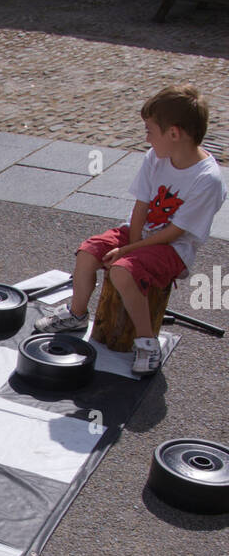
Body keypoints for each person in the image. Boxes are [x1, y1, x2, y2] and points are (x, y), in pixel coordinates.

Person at [36, 84, 226, 374]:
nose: (146, 137)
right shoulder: (155, 157)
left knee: (123, 271)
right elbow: (141, 206)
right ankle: (76, 314)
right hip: (139, 238)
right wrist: (131, 246)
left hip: (173, 249)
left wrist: (127, 253)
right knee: (88, 252)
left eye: (150, 130)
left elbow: (175, 233)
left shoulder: (208, 179)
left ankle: (148, 343)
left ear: (174, 133)